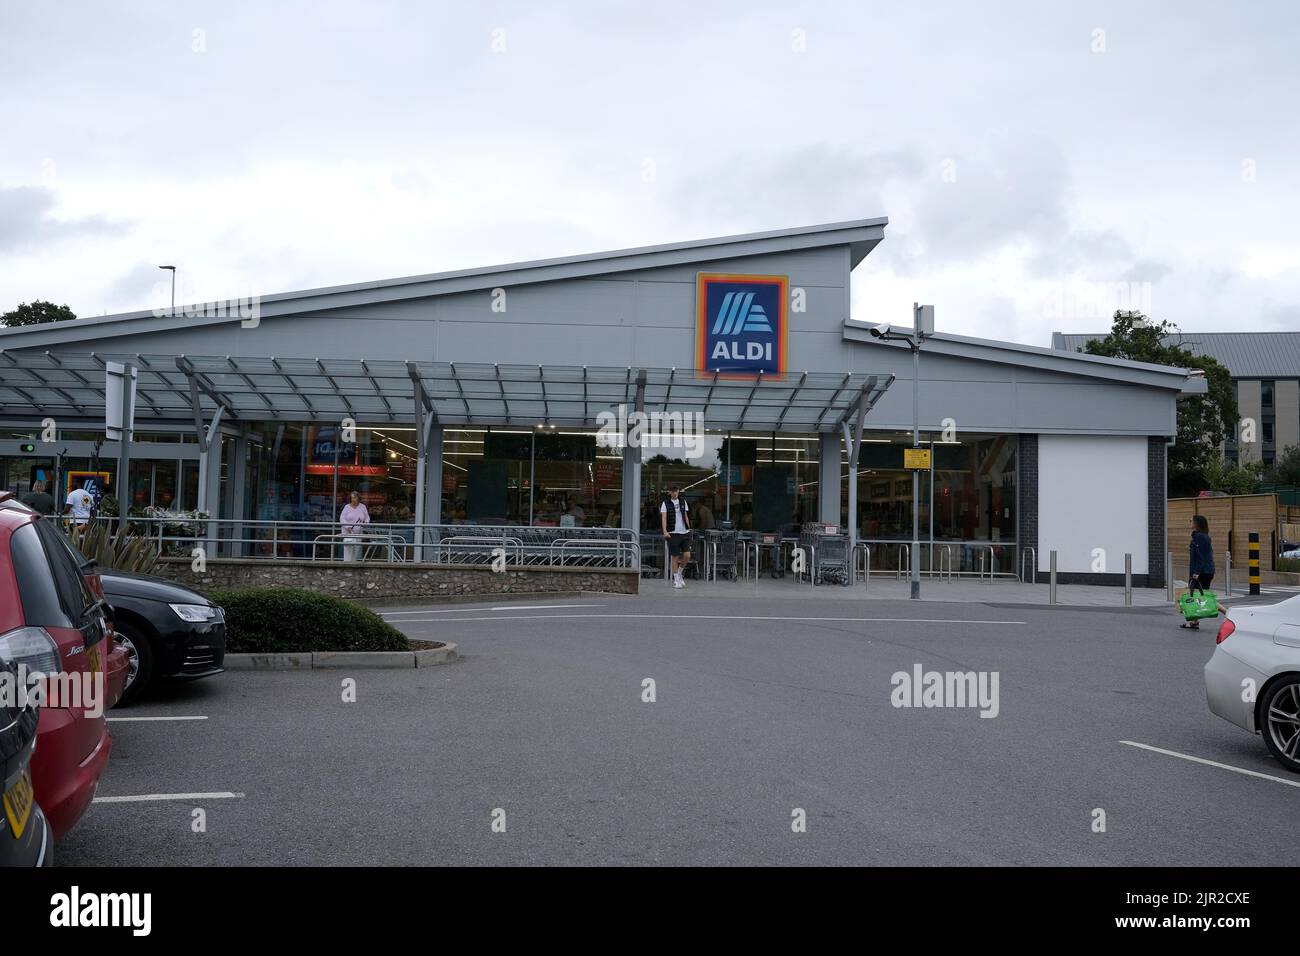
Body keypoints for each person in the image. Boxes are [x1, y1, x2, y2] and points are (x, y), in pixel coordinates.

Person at [1182, 514, 1216, 630]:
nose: (1189, 521)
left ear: (1197, 524)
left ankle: (1230, 615)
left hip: (1202, 572)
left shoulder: (1200, 537)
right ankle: (1194, 622)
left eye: (1191, 520)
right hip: (1205, 571)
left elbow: (1201, 557)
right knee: (1197, 596)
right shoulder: (1200, 536)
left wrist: (1196, 573)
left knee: (1204, 597)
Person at [660, 484, 692, 589]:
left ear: (678, 491)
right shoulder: (665, 503)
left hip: (684, 532)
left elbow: (685, 515)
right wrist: (665, 531)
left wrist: (689, 528)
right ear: (670, 492)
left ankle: (679, 573)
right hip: (673, 533)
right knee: (675, 556)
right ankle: (675, 579)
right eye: (672, 491)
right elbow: (664, 518)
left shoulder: (683, 501)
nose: (674, 493)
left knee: (687, 555)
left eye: (676, 491)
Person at [339, 490, 371, 562]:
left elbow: (367, 517)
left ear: (358, 498)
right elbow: (342, 518)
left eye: (355, 498)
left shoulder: (363, 507)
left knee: (357, 550)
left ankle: (356, 564)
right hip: (348, 533)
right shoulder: (347, 507)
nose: (353, 500)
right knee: (348, 550)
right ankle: (347, 564)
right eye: (352, 498)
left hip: (358, 533)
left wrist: (366, 523)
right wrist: (348, 527)